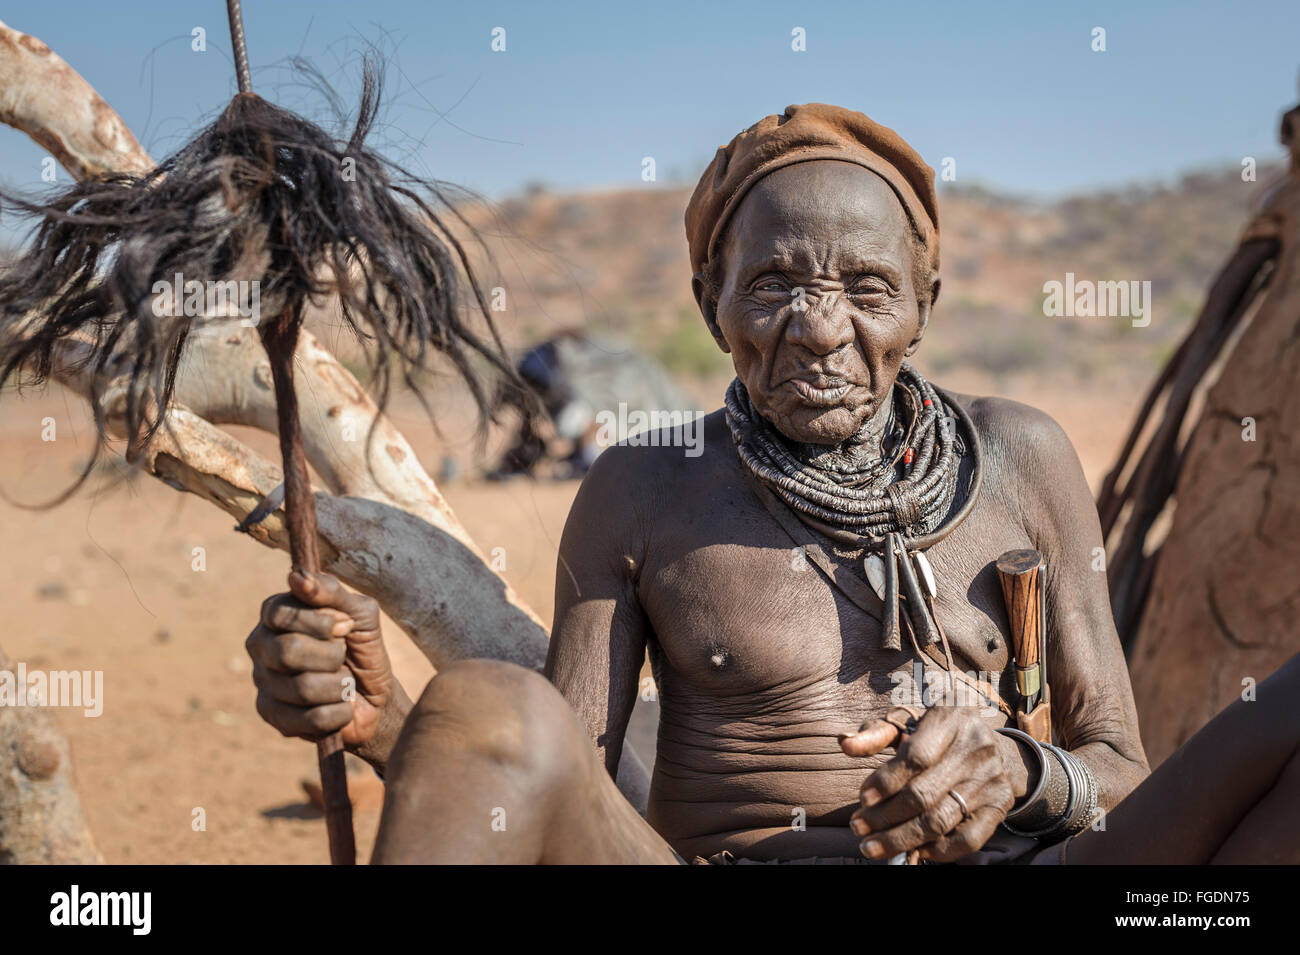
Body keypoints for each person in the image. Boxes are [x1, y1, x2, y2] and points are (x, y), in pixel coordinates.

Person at [244, 104, 1299, 864]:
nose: (821, 328)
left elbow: (1117, 762)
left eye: (866, 289)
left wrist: (1020, 775)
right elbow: (566, 776)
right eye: (775, 284)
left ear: (922, 305)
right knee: (486, 702)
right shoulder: (643, 488)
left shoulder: (1021, 456)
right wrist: (384, 725)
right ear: (712, 304)